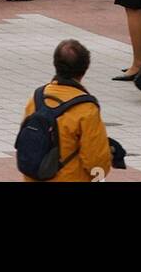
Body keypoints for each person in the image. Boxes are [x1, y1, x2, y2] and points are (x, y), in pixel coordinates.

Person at [19, 40, 113, 183]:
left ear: (55, 64)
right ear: (85, 68)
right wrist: (99, 177)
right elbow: (95, 160)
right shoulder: (86, 108)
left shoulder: (37, 97)